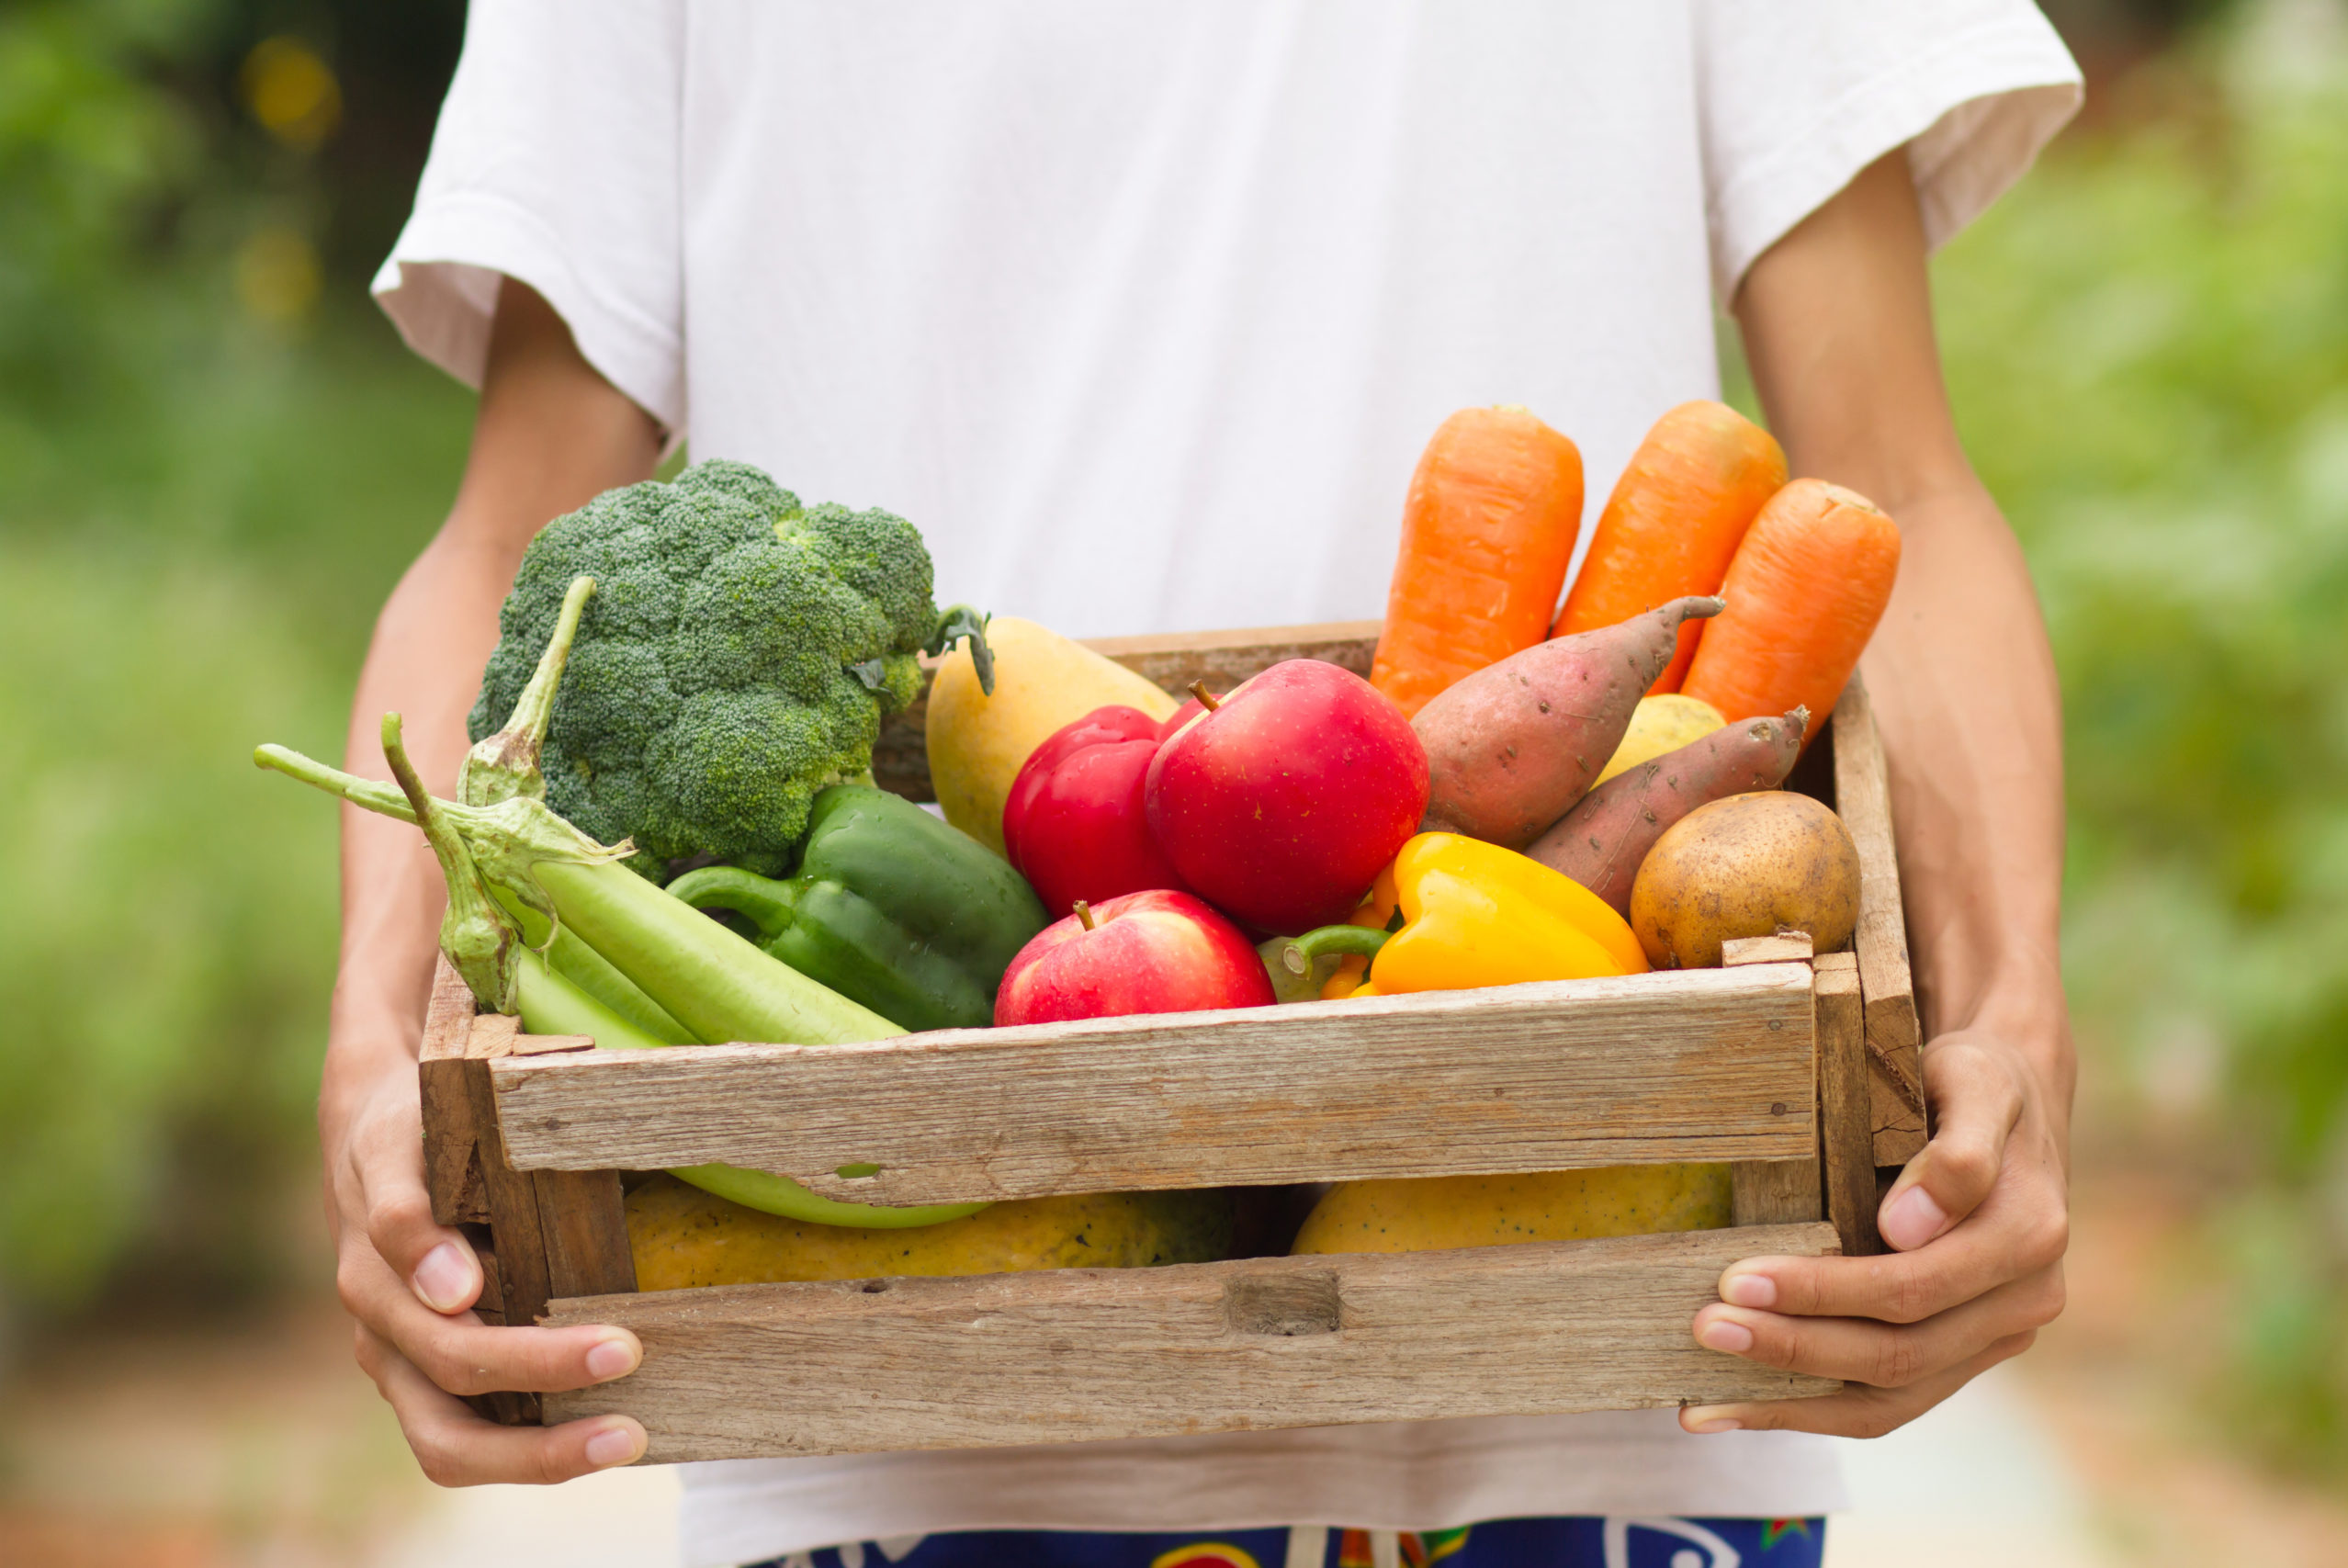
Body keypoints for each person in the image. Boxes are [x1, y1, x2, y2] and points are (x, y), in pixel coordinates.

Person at [336, 5, 2081, 1564]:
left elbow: (1901, 493)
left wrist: (2012, 1021)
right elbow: (508, 548)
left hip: (1620, 1364)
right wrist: (374, 1070)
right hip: (897, 1414)